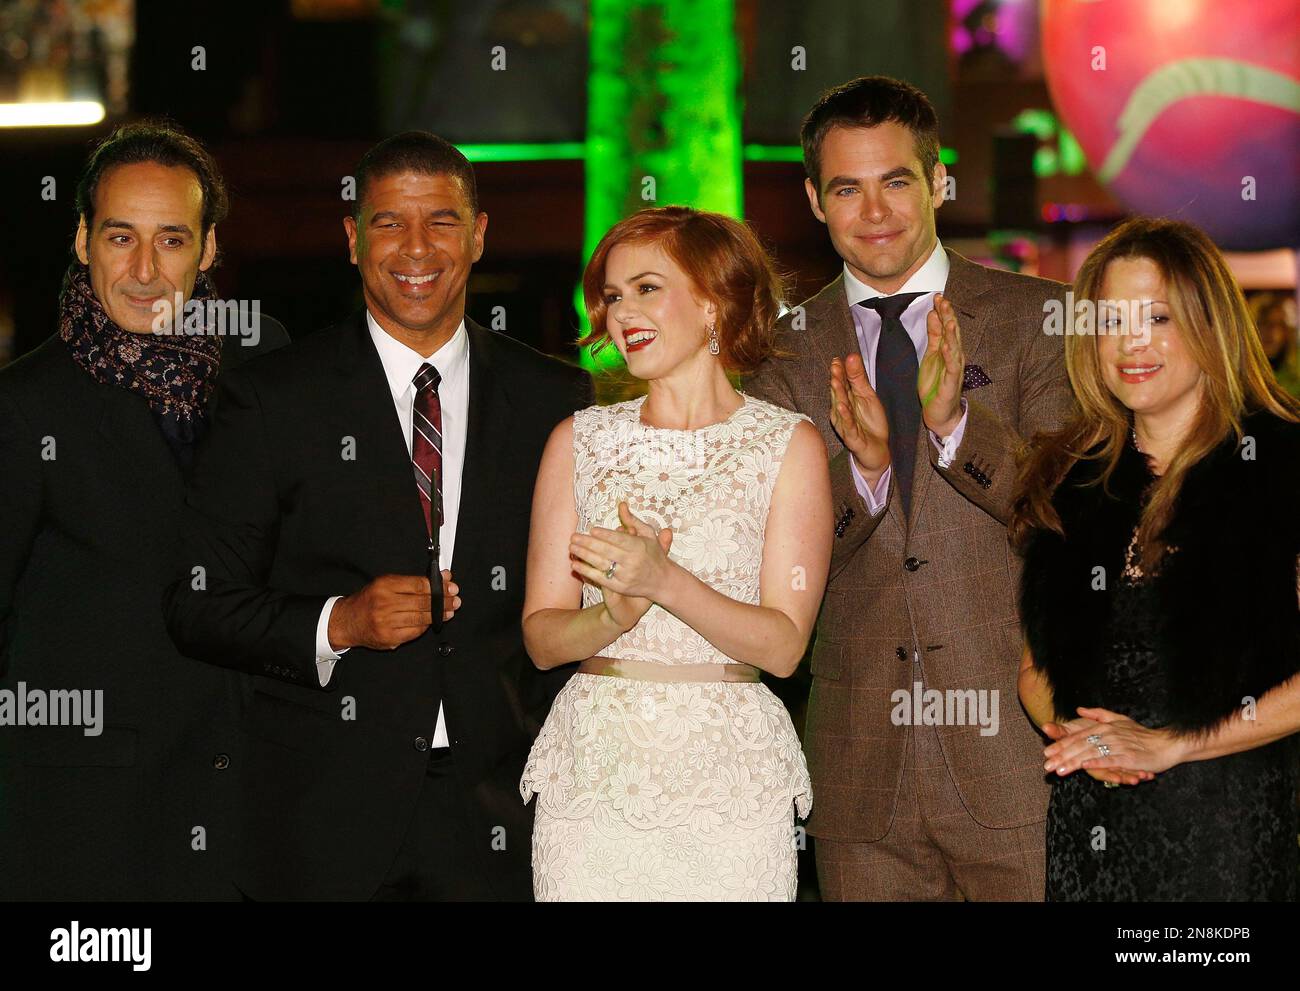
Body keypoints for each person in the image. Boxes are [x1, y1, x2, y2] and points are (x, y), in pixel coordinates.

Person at [163, 132, 592, 901]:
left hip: (507, 820)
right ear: (353, 239)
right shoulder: (272, 398)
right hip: (322, 819)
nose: (417, 247)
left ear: (480, 234)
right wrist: (340, 621)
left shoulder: (558, 401)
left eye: (442, 221)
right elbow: (199, 602)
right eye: (390, 222)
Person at [743, 75, 1072, 900]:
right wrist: (864, 473)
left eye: (896, 180)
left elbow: (1069, 513)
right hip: (859, 780)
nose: (876, 210)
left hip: (1016, 758)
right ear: (816, 201)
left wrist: (958, 426)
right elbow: (772, 565)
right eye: (848, 188)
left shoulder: (1043, 319)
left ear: (939, 182)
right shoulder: (777, 355)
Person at [0, 120, 288, 900]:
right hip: (87, 823)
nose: (144, 270)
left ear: (209, 248)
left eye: (170, 240)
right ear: (83, 237)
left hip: (249, 806)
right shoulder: (26, 407)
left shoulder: (265, 367)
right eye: (121, 237)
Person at [520, 206, 831, 900]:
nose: (623, 310)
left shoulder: (788, 445)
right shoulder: (579, 440)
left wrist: (664, 579)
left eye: (647, 287)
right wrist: (613, 616)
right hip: (595, 779)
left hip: (730, 784)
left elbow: (783, 647)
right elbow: (542, 639)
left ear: (715, 299)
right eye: (611, 294)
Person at [1013, 216, 1300, 901]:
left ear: (1211, 326)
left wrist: (1175, 742)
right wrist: (1080, 738)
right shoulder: (1067, 479)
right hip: (1090, 829)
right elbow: (1031, 665)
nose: (1132, 341)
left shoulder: (1281, 466)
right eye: (1113, 318)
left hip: (1225, 830)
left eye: (1158, 316)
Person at [1251, 290, 1300, 397]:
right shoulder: (1241, 372)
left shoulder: (1296, 368)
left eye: (1279, 325)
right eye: (1264, 323)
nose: (1271, 332)